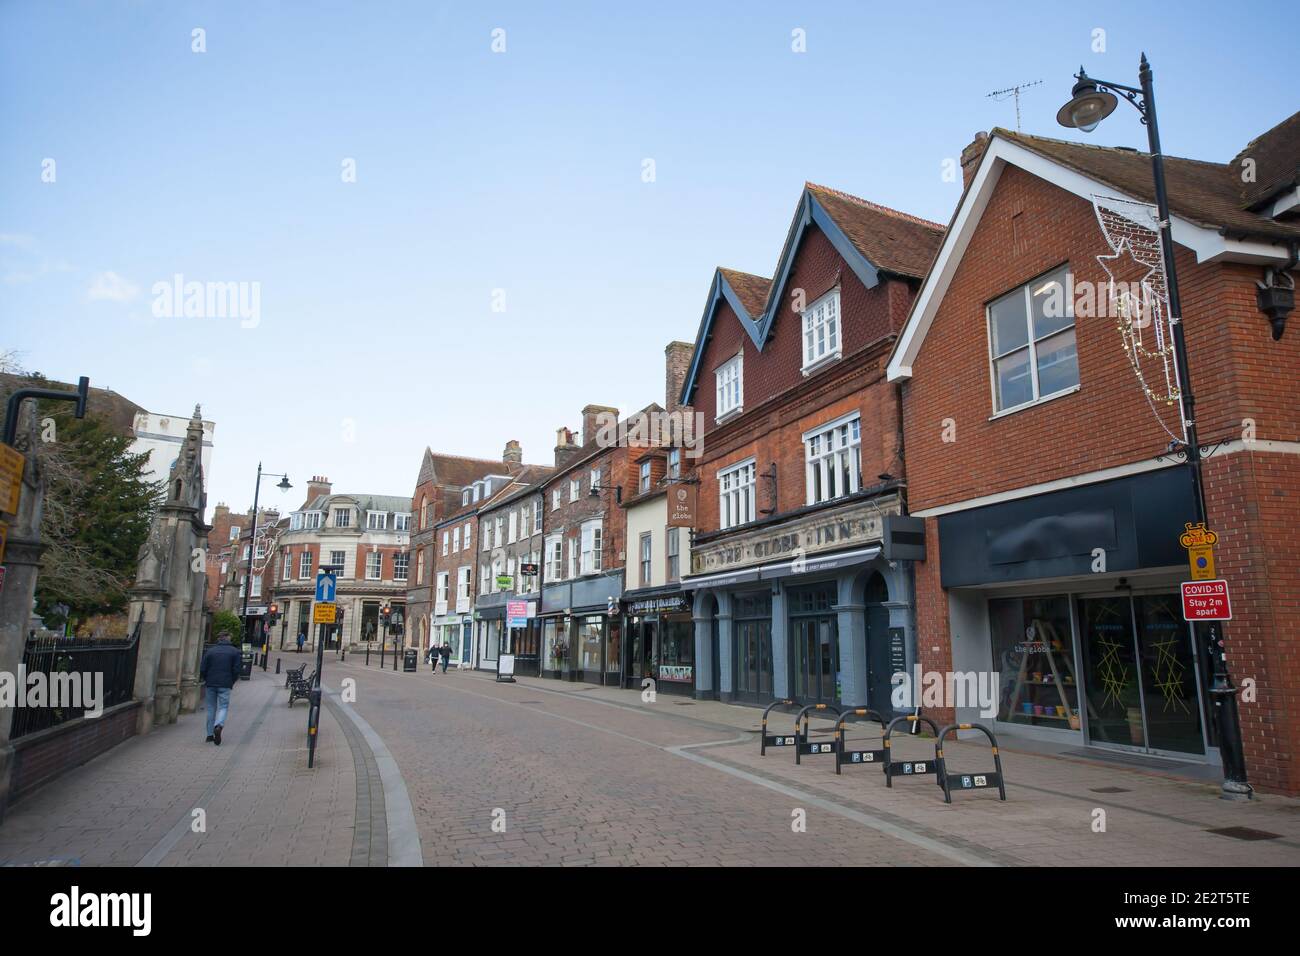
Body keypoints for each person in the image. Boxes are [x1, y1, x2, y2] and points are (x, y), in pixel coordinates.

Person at [199, 629, 242, 745]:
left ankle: (209, 735)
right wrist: (231, 681)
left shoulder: (210, 651)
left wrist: (206, 679)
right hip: (225, 683)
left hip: (211, 683)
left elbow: (202, 668)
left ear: (219, 639)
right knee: (223, 707)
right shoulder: (235, 652)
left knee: (211, 708)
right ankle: (219, 725)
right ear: (228, 638)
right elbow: (236, 670)